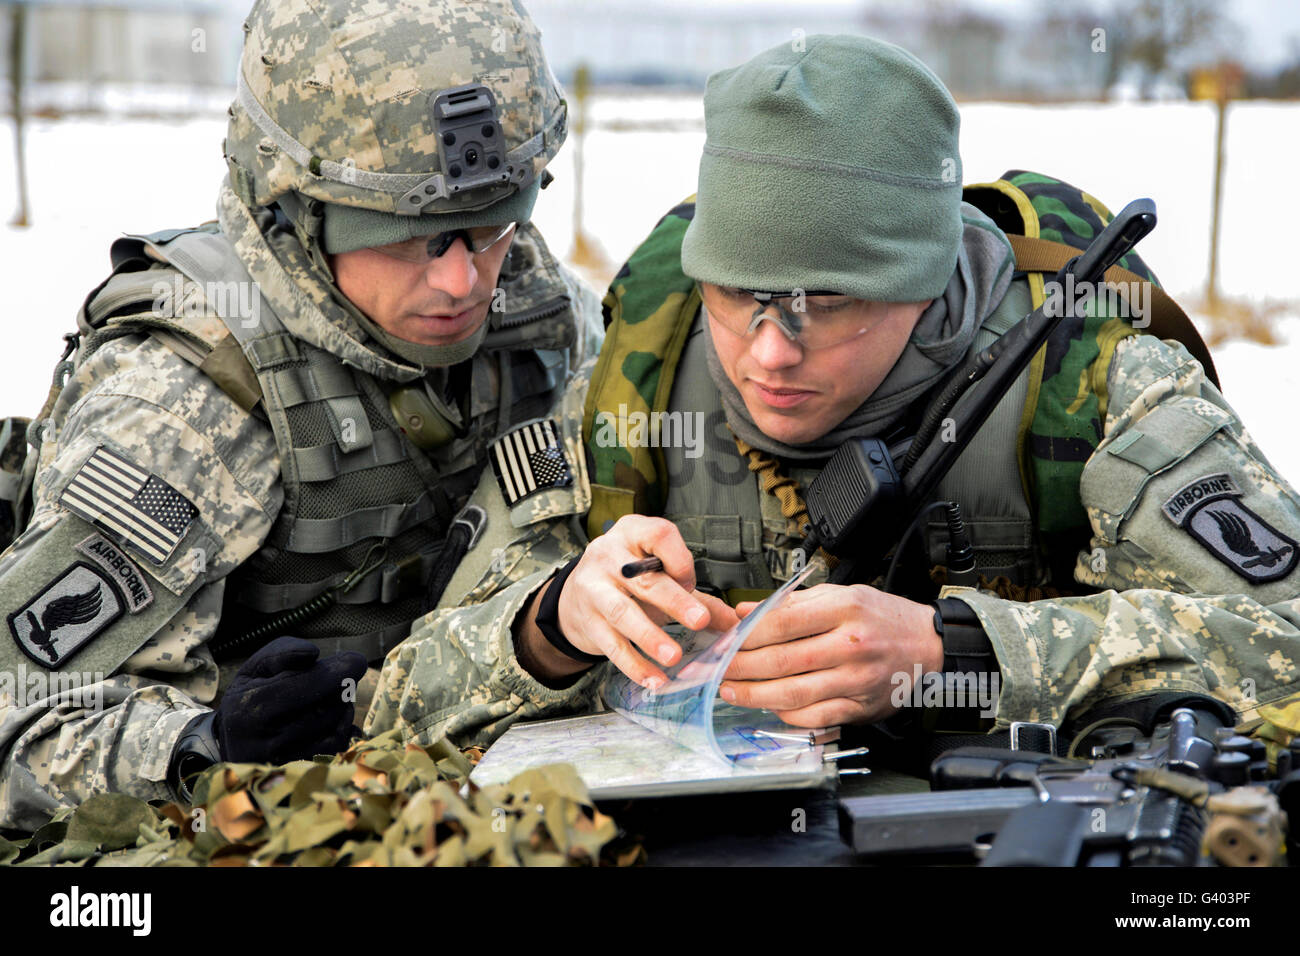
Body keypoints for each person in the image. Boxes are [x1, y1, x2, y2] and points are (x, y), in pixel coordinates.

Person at [367, 35, 1300, 763]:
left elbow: (1284, 637)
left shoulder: (1087, 385)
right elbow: (396, 697)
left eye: (832, 304)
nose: (769, 353)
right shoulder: (640, 380)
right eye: (738, 298)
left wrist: (963, 658)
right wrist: (553, 626)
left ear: (925, 281)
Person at [0, 0, 602, 830]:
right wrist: (201, 747)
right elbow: (23, 719)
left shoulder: (541, 315)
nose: (465, 283)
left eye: (492, 227)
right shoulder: (187, 396)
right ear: (295, 219)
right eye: (410, 240)